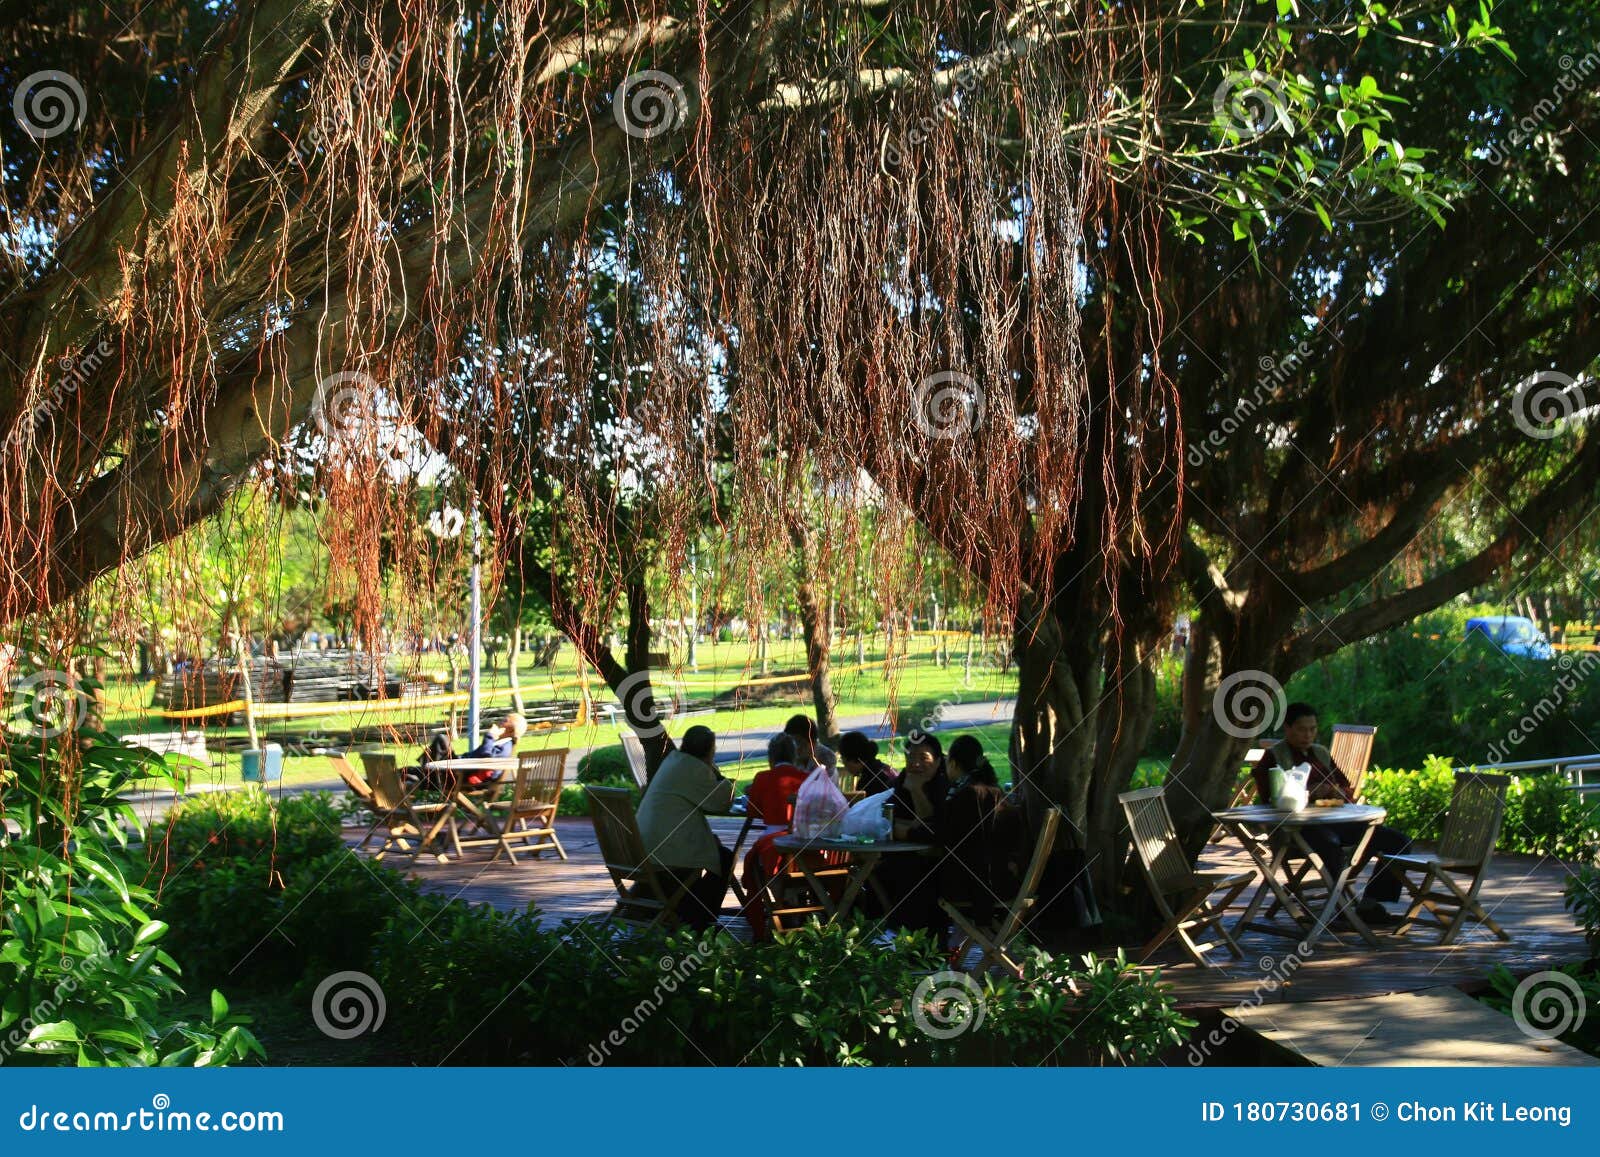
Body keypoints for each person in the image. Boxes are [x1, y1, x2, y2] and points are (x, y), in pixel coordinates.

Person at [1251, 702, 1411, 926]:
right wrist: (1306, 793)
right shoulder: (1274, 757)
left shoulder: (1320, 754)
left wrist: (1336, 791)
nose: (1308, 735)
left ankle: (1370, 904)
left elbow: (1346, 790)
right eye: (1301, 729)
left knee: (1398, 842)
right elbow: (1269, 798)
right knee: (1330, 845)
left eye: (1313, 729)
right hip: (1296, 829)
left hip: (1335, 820)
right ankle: (1341, 908)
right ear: (1287, 728)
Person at [635, 725, 735, 930]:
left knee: (714, 850)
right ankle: (700, 921)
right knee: (724, 858)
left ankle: (686, 913)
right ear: (710, 750)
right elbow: (719, 802)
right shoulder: (694, 768)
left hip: (644, 849)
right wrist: (723, 779)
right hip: (667, 853)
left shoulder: (673, 761)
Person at [939, 735, 1026, 923]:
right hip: (1004, 880)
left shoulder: (968, 795)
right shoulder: (993, 791)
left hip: (980, 887)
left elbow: (946, 836)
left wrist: (909, 831)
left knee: (916, 878)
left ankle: (927, 943)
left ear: (953, 763)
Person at [872, 731, 950, 938]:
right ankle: (890, 933)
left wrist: (917, 790)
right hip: (908, 854)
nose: (916, 764)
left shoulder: (945, 784)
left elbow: (932, 825)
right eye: (910, 758)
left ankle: (916, 941)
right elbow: (892, 823)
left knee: (912, 874)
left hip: (942, 861)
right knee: (875, 874)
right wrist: (911, 827)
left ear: (937, 761)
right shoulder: (900, 783)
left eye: (923, 758)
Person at [738, 732, 815, 939]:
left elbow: (753, 812)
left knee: (757, 860)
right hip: (806, 849)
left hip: (775, 849)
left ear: (770, 759)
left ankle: (780, 907)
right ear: (794, 757)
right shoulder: (807, 779)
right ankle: (794, 905)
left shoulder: (762, 778)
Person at [462, 713, 527, 788]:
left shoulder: (504, 747)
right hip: (466, 772)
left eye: (505, 721)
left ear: (511, 730)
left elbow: (486, 755)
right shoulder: (501, 743)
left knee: (445, 742)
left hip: (471, 779)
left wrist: (490, 736)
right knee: (445, 744)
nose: (500, 722)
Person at [838, 730, 896, 796]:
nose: (846, 767)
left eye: (844, 762)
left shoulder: (867, 782)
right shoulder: (885, 768)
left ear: (853, 760)